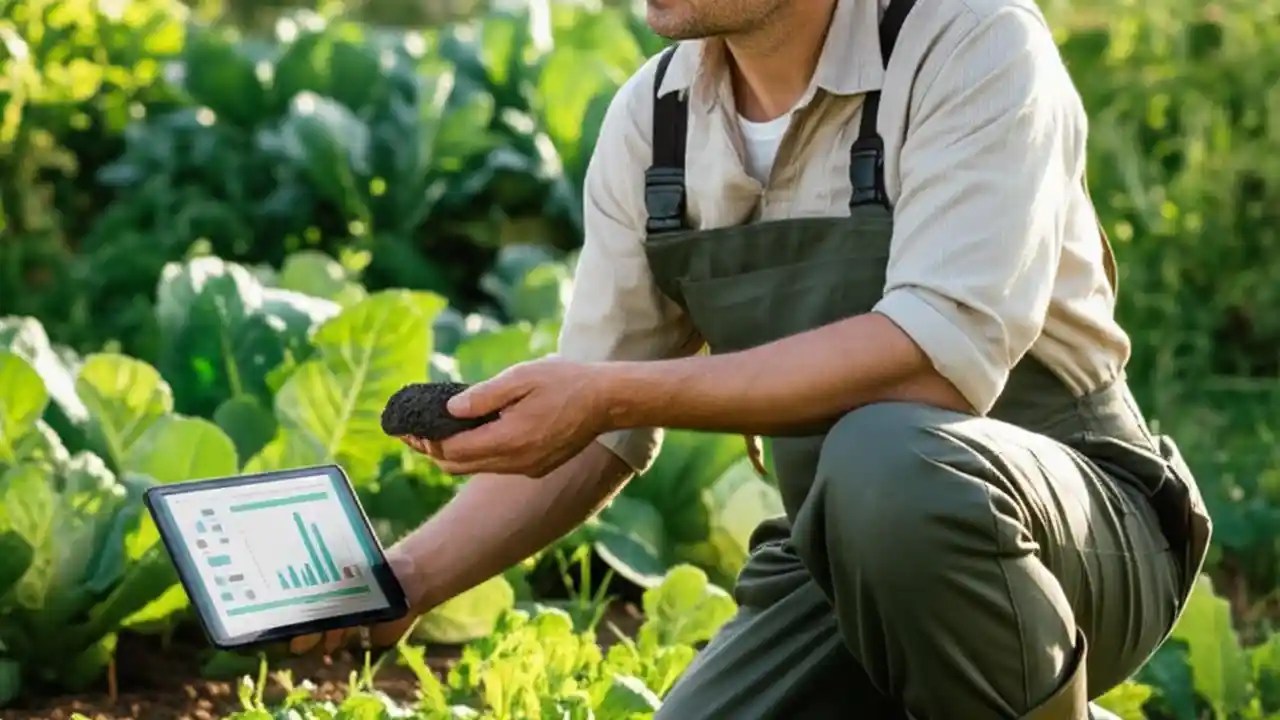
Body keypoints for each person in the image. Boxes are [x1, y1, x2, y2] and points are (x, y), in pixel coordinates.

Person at [291, 0, 1213, 716]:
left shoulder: (971, 43)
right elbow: (592, 437)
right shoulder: (653, 122)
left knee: (890, 459)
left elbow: (931, 366)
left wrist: (610, 395)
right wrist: (402, 583)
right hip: (835, 548)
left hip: (1077, 532)